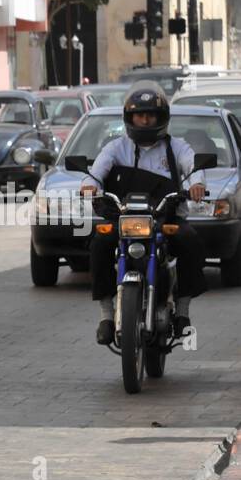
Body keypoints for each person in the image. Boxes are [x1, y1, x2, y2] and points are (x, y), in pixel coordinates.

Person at [79, 83, 207, 344]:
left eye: (151, 115)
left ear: (162, 118)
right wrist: (89, 186)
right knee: (100, 243)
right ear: (130, 118)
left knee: (190, 240)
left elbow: (193, 166)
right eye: (140, 115)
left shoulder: (177, 147)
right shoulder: (116, 148)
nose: (145, 120)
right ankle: (105, 315)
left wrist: (197, 183)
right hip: (125, 219)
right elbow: (95, 173)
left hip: (165, 218)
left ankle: (182, 311)